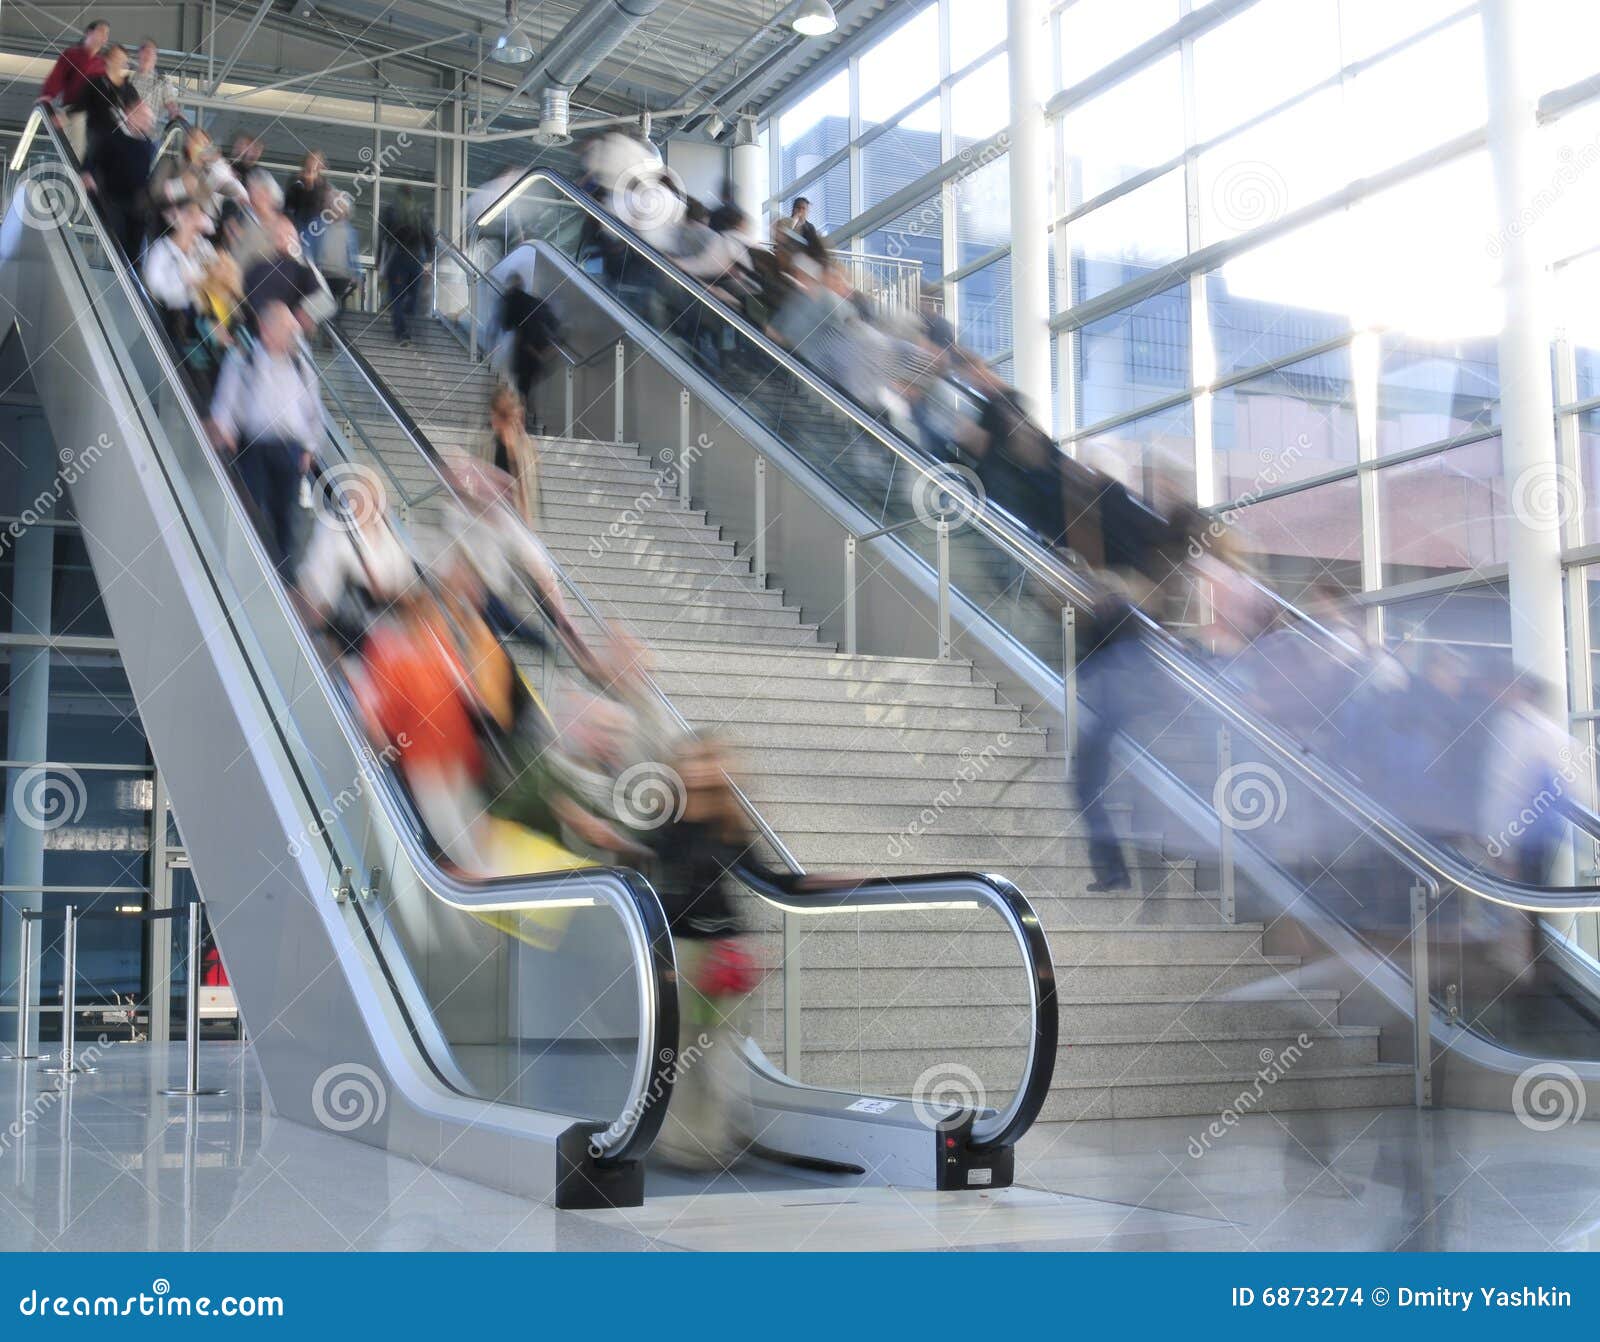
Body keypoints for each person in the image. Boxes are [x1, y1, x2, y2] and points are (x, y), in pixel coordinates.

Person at [647, 732, 761, 1171]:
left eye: (705, 760)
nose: (696, 768)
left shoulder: (727, 820)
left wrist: (815, 884)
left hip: (725, 950)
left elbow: (759, 874)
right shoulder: (667, 822)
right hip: (683, 949)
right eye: (689, 760)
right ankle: (681, 1144)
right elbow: (657, 886)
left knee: (718, 1046)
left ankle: (717, 1138)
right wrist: (662, 956)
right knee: (682, 1047)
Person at [208, 300, 323, 577]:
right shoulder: (244, 358)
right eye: (285, 328)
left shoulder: (300, 362)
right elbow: (226, 403)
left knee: (286, 518)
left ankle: (284, 581)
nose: (291, 334)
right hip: (254, 448)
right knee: (252, 513)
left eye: (292, 328)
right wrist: (225, 430)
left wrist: (310, 447)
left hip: (289, 449)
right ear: (265, 328)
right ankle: (246, 576)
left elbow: (313, 409)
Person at [81, 99, 157, 259]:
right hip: (112, 199)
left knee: (135, 248)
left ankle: (130, 274)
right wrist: (87, 174)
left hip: (136, 205)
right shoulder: (112, 136)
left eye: (150, 120)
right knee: (118, 242)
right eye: (144, 117)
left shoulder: (148, 145)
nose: (148, 123)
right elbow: (92, 158)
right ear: (130, 114)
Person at [142, 200, 215, 361]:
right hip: (169, 325)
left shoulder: (204, 248)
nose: (193, 221)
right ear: (178, 218)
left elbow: (214, 280)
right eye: (189, 215)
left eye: (197, 216)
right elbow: (156, 291)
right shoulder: (160, 251)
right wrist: (186, 284)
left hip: (201, 327)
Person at [244, 214, 330, 332]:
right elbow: (247, 300)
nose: (284, 238)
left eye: (289, 235)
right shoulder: (257, 267)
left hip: (287, 332)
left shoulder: (303, 268)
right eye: (279, 235)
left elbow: (325, 301)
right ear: (272, 238)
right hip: (259, 330)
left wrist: (306, 313)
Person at [40, 20, 110, 160]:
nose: (105, 36)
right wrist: (47, 96)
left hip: (90, 116)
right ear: (89, 32)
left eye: (107, 34)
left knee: (84, 151)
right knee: (72, 151)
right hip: (72, 111)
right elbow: (57, 77)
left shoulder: (102, 65)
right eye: (101, 31)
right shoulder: (72, 54)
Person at [497, 275, 557, 428]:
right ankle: (527, 418)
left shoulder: (511, 299)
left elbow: (506, 325)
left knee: (521, 386)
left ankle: (522, 421)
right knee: (526, 386)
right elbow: (553, 322)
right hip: (537, 351)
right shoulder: (534, 301)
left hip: (523, 349)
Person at [379, 183, 433, 345]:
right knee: (413, 296)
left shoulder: (391, 210)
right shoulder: (421, 212)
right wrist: (428, 260)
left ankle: (402, 332)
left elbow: (382, 237)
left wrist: (379, 260)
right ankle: (410, 329)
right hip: (417, 259)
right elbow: (430, 238)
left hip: (397, 258)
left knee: (396, 296)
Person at [307, 191, 359, 328]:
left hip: (342, 275)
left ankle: (331, 332)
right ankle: (325, 330)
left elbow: (353, 254)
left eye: (342, 207)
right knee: (323, 303)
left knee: (337, 305)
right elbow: (310, 246)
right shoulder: (319, 224)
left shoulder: (350, 231)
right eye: (336, 206)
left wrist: (356, 273)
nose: (338, 210)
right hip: (323, 272)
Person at [79, 42, 138, 160]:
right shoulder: (94, 83)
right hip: (97, 142)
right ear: (107, 59)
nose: (119, 63)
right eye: (116, 58)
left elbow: (136, 115)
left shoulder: (129, 89)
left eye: (122, 60)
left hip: (122, 143)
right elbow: (79, 106)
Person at [129, 39, 181, 136]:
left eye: (151, 52)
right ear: (139, 55)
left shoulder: (162, 80)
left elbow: (170, 101)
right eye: (144, 51)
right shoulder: (128, 81)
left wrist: (175, 112)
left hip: (146, 133)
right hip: (127, 131)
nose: (147, 55)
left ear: (155, 57)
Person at [283, 149, 330, 242]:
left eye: (318, 160)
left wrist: (311, 185)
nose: (314, 162)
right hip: (297, 220)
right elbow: (289, 201)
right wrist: (306, 185)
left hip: (315, 224)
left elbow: (320, 205)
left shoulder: (323, 182)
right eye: (312, 159)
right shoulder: (295, 178)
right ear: (306, 161)